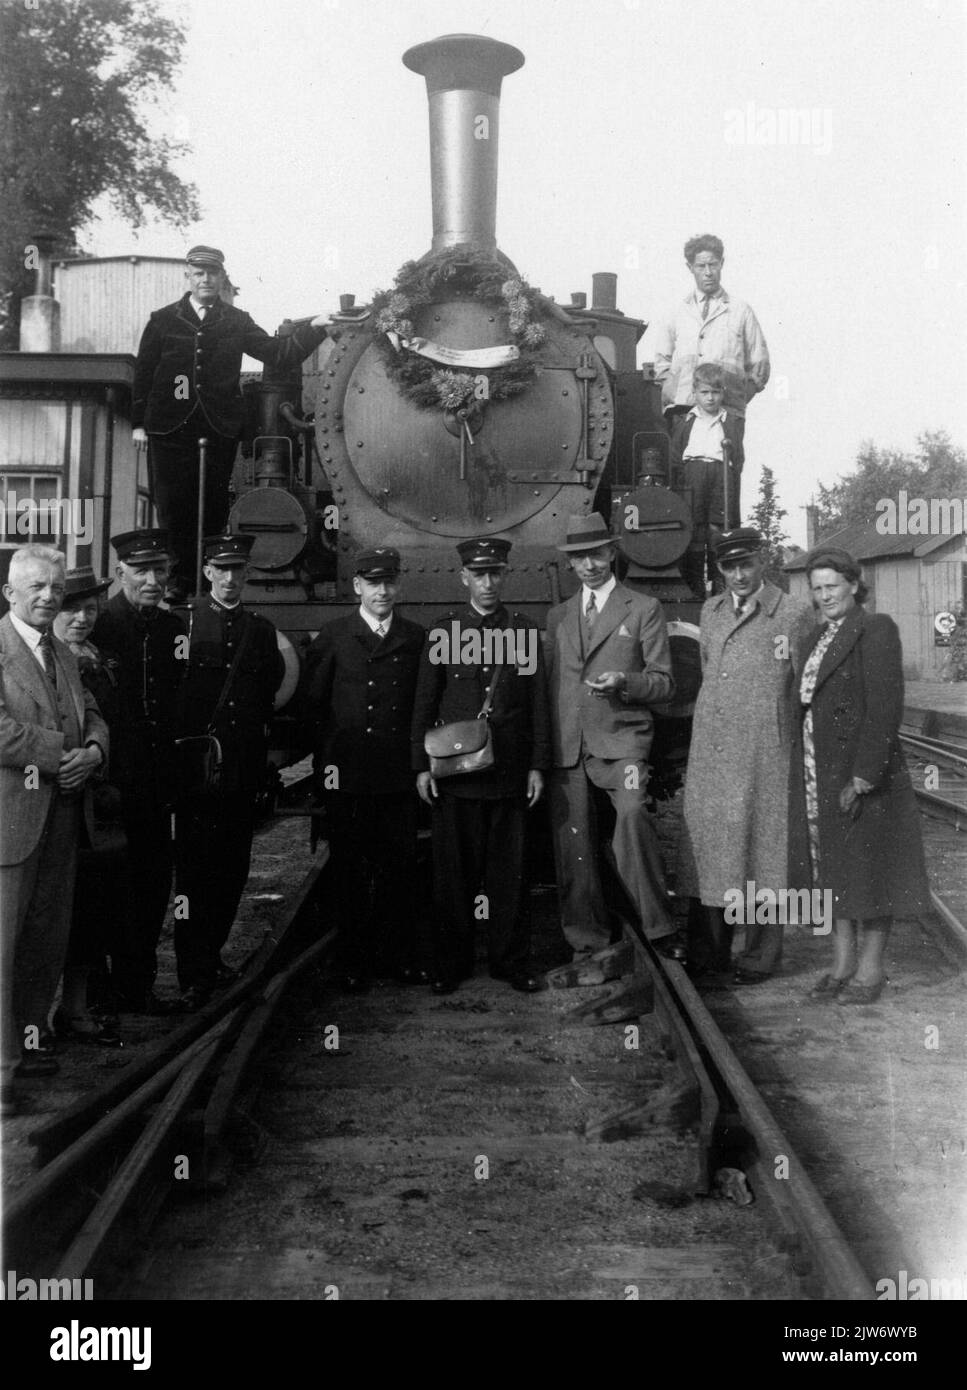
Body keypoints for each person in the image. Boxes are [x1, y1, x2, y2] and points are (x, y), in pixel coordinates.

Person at [131, 244, 330, 601]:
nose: (206, 279)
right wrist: (138, 424)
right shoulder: (162, 320)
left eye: (212, 273)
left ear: (222, 278)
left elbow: (278, 353)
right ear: (188, 276)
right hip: (168, 428)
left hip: (217, 428)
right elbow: (143, 374)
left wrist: (316, 328)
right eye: (199, 273)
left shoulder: (237, 321)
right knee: (173, 507)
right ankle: (179, 582)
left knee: (212, 507)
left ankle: (206, 582)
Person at [789, 547, 931, 1004]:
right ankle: (841, 965)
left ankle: (870, 972)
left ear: (854, 584)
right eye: (817, 588)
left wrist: (865, 775)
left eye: (832, 585)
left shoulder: (876, 629)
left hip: (861, 773)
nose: (825, 595)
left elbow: (885, 706)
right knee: (832, 869)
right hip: (817, 769)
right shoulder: (815, 636)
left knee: (870, 873)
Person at [675, 528, 815, 985]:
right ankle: (709, 953)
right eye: (729, 567)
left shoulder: (792, 613)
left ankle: (758, 955)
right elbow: (710, 674)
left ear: (762, 562)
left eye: (746, 564)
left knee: (763, 851)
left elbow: (804, 689)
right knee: (711, 849)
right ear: (719, 570)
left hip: (764, 753)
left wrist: (782, 738)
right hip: (713, 750)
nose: (738, 574)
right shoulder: (711, 611)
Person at [411, 538, 550, 994]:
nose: (488, 583)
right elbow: (424, 702)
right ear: (464, 577)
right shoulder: (443, 632)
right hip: (456, 776)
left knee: (509, 876)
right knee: (453, 875)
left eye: (496, 574)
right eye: (479, 574)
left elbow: (537, 706)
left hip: (508, 773)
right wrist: (420, 767)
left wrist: (537, 765)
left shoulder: (523, 631)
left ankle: (511, 962)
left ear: (505, 575)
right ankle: (450, 963)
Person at [0, 545, 109, 1105]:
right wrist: (61, 753)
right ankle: (2, 1071)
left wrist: (92, 749)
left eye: (57, 588)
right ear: (10, 593)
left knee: (44, 940)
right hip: (11, 822)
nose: (50, 597)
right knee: (3, 943)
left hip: (60, 817)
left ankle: (26, 1041)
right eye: (38, 587)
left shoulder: (63, 654)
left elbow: (89, 711)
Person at [545, 513, 676, 959]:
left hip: (623, 749)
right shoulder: (558, 617)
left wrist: (625, 680)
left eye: (597, 553)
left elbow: (664, 683)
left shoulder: (643, 609)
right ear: (570, 564)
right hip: (569, 749)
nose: (589, 564)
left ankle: (658, 927)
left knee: (634, 815)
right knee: (574, 844)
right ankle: (587, 939)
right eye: (580, 557)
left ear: (612, 552)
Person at [303, 547, 427, 991]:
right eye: (373, 583)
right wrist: (327, 763)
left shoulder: (416, 639)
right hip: (347, 774)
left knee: (400, 868)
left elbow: (423, 706)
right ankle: (352, 960)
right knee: (349, 869)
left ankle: (398, 958)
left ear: (399, 586)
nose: (382, 591)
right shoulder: (335, 636)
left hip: (397, 775)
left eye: (389, 582)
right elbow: (314, 708)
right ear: (357, 586)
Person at [173, 533, 284, 1008]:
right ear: (208, 573)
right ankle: (192, 970)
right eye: (224, 570)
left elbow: (268, 693)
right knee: (195, 875)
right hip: (198, 773)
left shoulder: (259, 630)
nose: (233, 578)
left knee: (233, 870)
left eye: (240, 570)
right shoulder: (187, 623)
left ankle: (213, 954)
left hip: (240, 770)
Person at [91, 529, 186, 1014]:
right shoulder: (98, 625)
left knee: (151, 883)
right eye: (141, 571)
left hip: (155, 781)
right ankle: (97, 992)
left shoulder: (172, 630)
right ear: (121, 572)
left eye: (160, 571)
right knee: (108, 884)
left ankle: (138, 985)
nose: (152, 581)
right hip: (107, 783)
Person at [50, 565, 123, 1045]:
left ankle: (75, 1010)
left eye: (90, 609)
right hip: (47, 802)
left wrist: (95, 752)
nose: (81, 618)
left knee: (89, 912)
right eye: (71, 609)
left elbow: (96, 717)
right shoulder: (44, 659)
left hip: (95, 807)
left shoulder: (89, 659)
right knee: (42, 918)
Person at [646, 233, 770, 477]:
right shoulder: (676, 312)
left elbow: (760, 366)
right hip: (683, 411)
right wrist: (674, 394)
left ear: (722, 264)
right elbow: (661, 364)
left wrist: (736, 401)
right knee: (683, 480)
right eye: (701, 266)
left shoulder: (740, 310)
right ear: (690, 268)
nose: (708, 272)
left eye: (713, 264)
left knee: (725, 481)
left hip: (728, 413)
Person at [669, 361, 746, 593]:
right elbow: (675, 458)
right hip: (692, 475)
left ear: (722, 393)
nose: (710, 398)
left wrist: (729, 480)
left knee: (717, 527)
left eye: (715, 392)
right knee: (693, 527)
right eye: (704, 392)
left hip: (721, 476)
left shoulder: (731, 422)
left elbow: (738, 458)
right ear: (695, 393)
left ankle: (719, 581)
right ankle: (695, 582)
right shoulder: (685, 422)